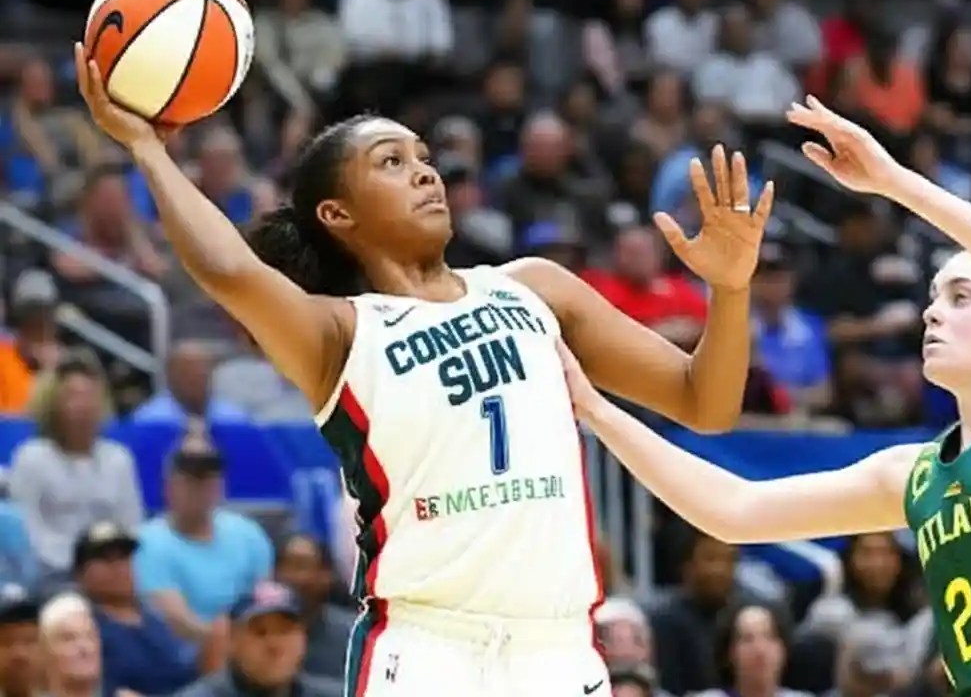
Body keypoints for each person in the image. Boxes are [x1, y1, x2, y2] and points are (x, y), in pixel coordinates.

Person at [73, 42, 774, 697]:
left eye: (423, 156)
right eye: (391, 162)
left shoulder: (533, 286)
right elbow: (229, 269)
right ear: (337, 213)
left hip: (559, 646)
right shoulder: (341, 331)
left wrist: (731, 290)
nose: (424, 171)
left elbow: (704, 403)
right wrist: (144, 146)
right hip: (430, 647)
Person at [556, 95, 971, 696]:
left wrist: (895, 182)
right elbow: (733, 509)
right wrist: (592, 405)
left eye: (961, 296)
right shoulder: (914, 473)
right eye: (933, 297)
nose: (933, 313)